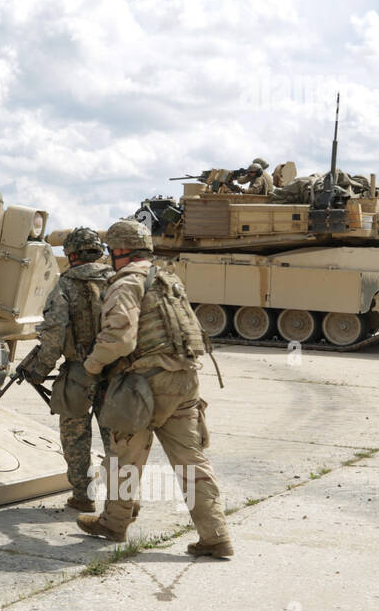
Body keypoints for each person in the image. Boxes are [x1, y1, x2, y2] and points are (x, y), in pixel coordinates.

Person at [76, 219, 233, 558]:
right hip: (186, 380)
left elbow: (120, 338)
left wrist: (92, 366)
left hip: (142, 385)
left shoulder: (127, 283)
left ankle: (114, 523)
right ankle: (216, 535)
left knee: (124, 455)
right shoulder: (168, 279)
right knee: (192, 461)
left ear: (119, 250)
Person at [16, 227, 113, 511]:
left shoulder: (64, 286)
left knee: (76, 436)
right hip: (115, 372)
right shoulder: (120, 282)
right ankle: (123, 503)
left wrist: (39, 370)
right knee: (119, 440)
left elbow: (54, 335)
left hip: (79, 373)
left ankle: (83, 497)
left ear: (71, 254)